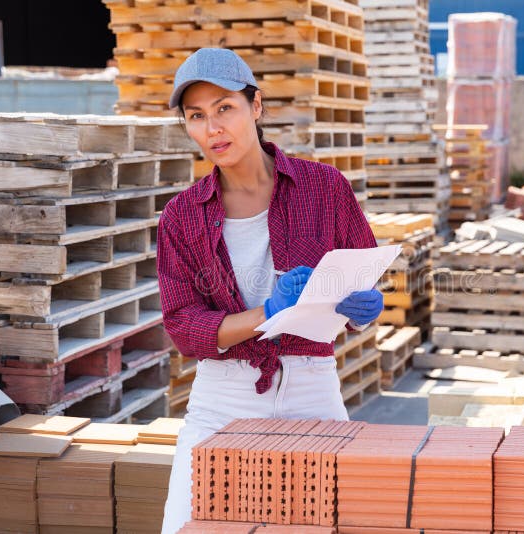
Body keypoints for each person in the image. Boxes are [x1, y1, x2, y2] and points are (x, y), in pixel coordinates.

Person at [156, 48, 384, 533]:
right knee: (183, 524)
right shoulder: (182, 216)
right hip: (223, 398)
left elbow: (361, 271)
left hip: (311, 388)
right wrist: (268, 312)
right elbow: (183, 327)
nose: (213, 128)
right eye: (196, 116)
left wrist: (366, 307)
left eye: (225, 108)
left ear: (255, 107)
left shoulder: (324, 188)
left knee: (338, 522)